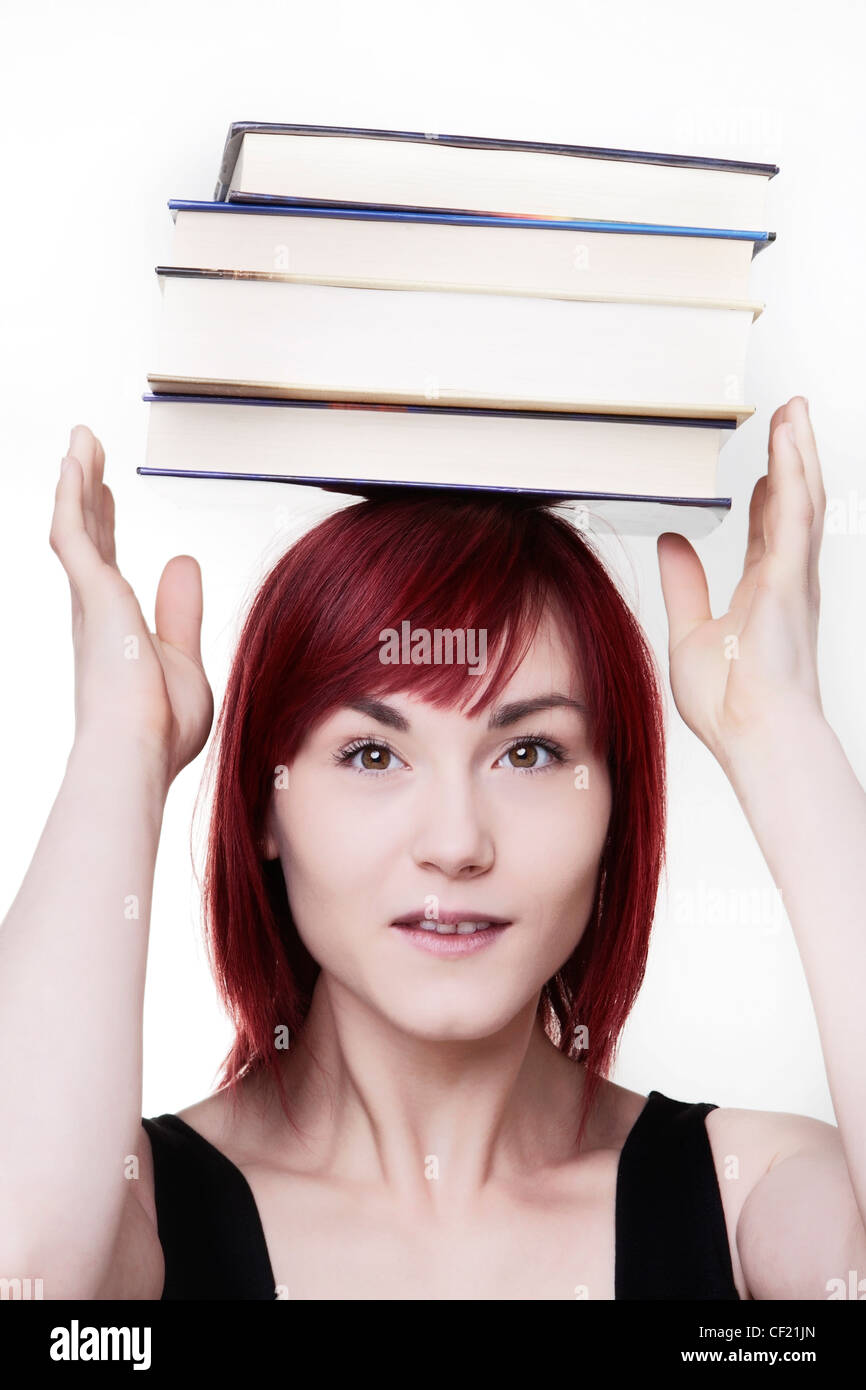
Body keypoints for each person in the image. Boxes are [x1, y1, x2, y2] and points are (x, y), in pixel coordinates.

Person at [2, 396, 865, 1301]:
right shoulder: (132, 1220)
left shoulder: (745, 1199)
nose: (456, 845)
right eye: (372, 754)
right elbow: (21, 1272)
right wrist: (120, 749)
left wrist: (779, 735)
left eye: (529, 753)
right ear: (266, 804)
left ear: (615, 806)